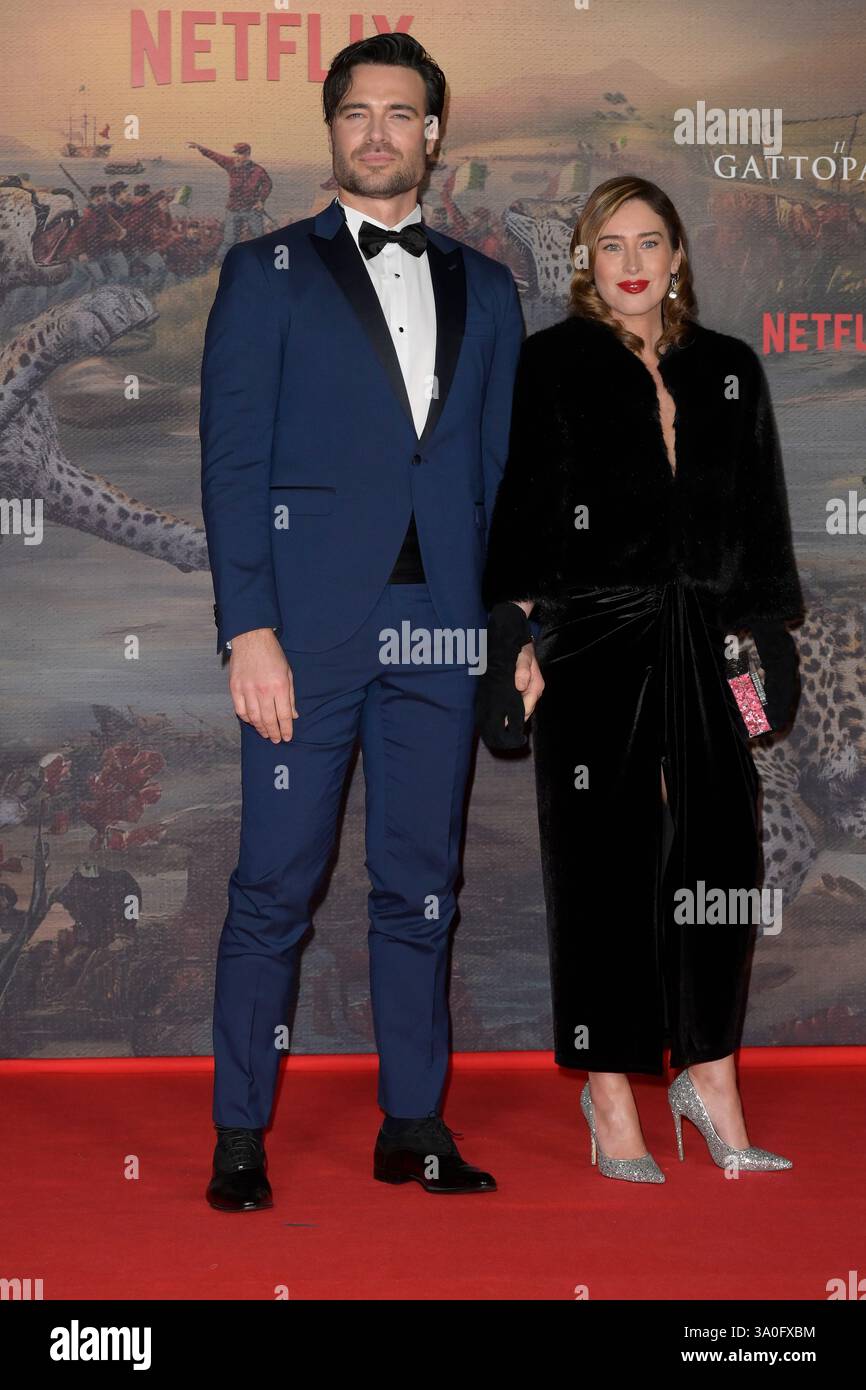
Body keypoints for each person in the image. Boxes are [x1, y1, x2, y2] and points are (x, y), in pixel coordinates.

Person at [199, 33, 524, 1210]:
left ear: (433, 134)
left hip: (437, 628)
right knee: (274, 883)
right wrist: (248, 631)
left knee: (419, 878)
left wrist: (508, 627)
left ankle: (414, 1122)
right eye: (356, 114)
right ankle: (241, 1131)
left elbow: (498, 479)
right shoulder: (263, 274)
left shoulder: (488, 290)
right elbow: (233, 466)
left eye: (401, 114)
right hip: (309, 630)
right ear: (330, 128)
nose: (378, 133)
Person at [478, 175, 804, 1183]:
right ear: (584, 262)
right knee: (604, 864)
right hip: (595, 644)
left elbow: (756, 526)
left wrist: (769, 633)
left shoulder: (728, 370)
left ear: (674, 257)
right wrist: (508, 642)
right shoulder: (553, 366)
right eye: (607, 243)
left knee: (714, 864)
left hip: (703, 645)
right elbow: (525, 525)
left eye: (648, 240)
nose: (628, 260)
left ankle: (708, 1075)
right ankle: (610, 1084)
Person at [188, 140, 272, 261]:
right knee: (229, 240)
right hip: (233, 210)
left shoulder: (258, 170)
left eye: (240, 154)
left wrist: (261, 201)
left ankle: (264, 262)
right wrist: (200, 148)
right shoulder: (231, 164)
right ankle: (219, 264)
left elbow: (267, 184)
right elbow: (215, 156)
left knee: (259, 237)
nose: (237, 157)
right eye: (236, 153)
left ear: (247, 154)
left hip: (251, 209)